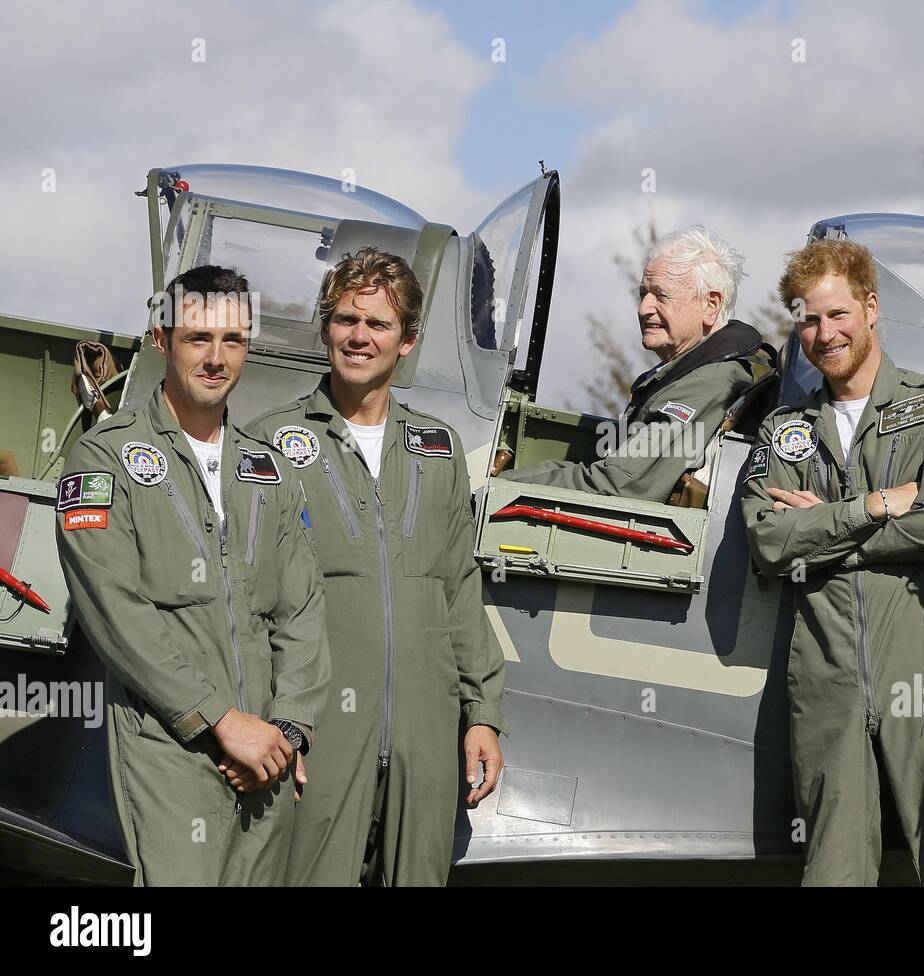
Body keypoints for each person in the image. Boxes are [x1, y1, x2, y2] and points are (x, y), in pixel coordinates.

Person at [56, 265, 330, 885]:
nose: (216, 358)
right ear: (162, 340)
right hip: (172, 748)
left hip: (267, 754)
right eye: (198, 339)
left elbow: (303, 608)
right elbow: (115, 611)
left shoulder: (269, 469)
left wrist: (286, 729)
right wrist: (221, 722)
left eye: (233, 340)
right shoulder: (105, 457)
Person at [249, 247, 507, 886]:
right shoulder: (265, 445)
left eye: (378, 325)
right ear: (325, 327)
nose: (359, 337)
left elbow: (458, 592)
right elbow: (246, 604)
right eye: (344, 320)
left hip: (425, 734)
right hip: (316, 734)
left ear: (408, 341)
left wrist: (482, 714)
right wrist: (270, 724)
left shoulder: (438, 449)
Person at [742, 239, 924, 885]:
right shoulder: (783, 431)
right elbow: (769, 544)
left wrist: (820, 526)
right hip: (825, 670)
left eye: (838, 314)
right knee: (832, 867)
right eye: (808, 319)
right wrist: (875, 507)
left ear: (871, 307)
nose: (824, 334)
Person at [497, 226, 774, 503]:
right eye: (644, 294)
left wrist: (498, 484)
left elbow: (619, 485)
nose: (644, 308)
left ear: (711, 305)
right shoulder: (686, 374)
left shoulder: (709, 382)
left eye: (661, 296)